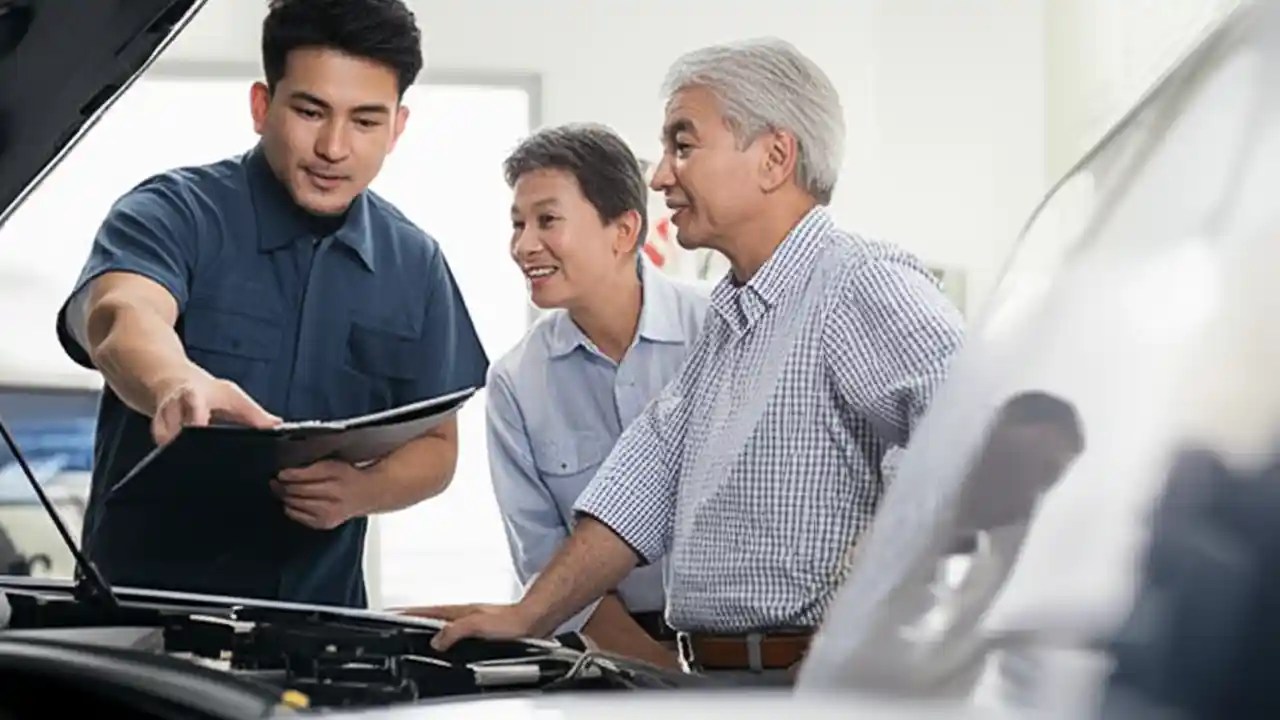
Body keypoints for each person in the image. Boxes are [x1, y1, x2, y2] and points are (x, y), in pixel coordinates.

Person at [401, 37, 966, 682]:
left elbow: (989, 436)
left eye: (683, 144)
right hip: (722, 679)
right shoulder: (731, 320)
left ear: (775, 156)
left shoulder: (857, 282)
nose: (661, 174)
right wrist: (528, 615)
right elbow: (643, 486)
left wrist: (896, 588)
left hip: (813, 681)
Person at [54, 0, 488, 608]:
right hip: (138, 623)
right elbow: (120, 317)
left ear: (398, 128)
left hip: (319, 631)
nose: (334, 147)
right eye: (311, 112)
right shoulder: (175, 211)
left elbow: (438, 449)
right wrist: (176, 383)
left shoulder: (416, 265)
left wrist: (365, 492)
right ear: (262, 106)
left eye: (366, 121)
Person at [486, 123, 709, 669]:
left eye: (547, 220)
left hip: (742, 656)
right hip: (609, 666)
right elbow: (546, 563)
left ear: (624, 230)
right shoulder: (516, 383)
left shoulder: (716, 331)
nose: (523, 246)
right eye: (517, 224)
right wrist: (663, 685)